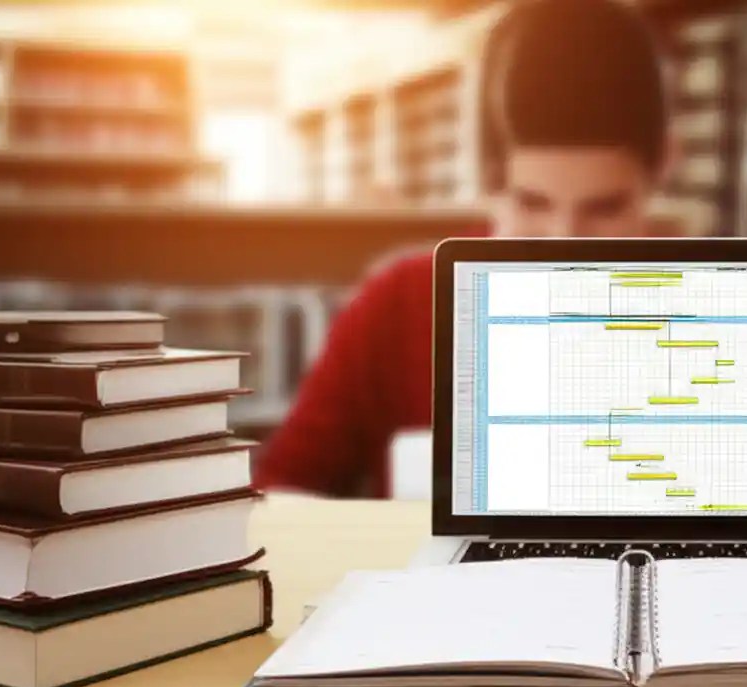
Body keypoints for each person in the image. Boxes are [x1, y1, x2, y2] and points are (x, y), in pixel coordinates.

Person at [256, 0, 674, 497]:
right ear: (488, 184)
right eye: (532, 204)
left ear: (663, 166)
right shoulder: (400, 304)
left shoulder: (730, 305)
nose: (566, 247)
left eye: (604, 209)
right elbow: (278, 495)